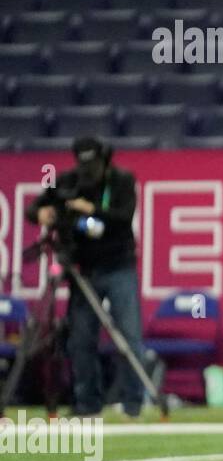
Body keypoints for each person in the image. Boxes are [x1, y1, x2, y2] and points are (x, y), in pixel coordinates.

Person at [24, 138, 148, 418]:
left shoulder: (122, 180)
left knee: (128, 335)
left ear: (105, 160)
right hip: (84, 271)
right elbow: (34, 209)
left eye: (92, 166)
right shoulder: (68, 181)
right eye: (83, 166)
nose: (88, 172)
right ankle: (88, 403)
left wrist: (89, 209)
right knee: (80, 339)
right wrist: (39, 213)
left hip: (119, 268)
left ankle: (133, 404)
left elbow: (122, 218)